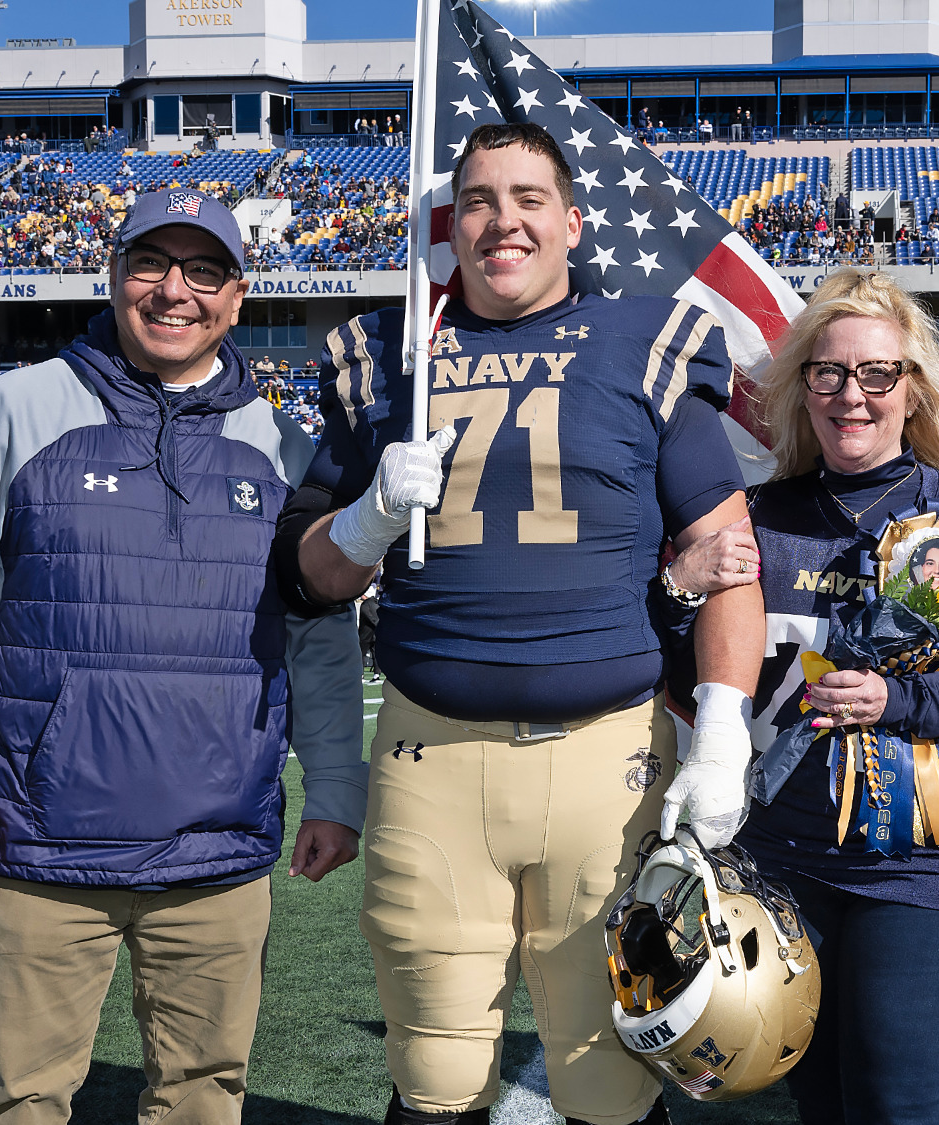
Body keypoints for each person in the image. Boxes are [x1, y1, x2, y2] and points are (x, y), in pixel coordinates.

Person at [273, 121, 763, 1125]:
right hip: (428, 760)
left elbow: (730, 565)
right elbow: (307, 578)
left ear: (571, 222)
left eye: (528, 198)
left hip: (607, 758)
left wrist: (719, 738)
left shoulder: (642, 340)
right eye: (481, 201)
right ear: (451, 226)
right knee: (435, 1067)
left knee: (606, 1073)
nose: (503, 220)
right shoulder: (389, 352)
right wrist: (366, 517)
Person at [0, 187, 363, 1125]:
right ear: (113, 272)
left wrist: (338, 788)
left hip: (219, 851)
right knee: (20, 1104)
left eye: (204, 269)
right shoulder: (16, 408)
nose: (175, 290)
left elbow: (320, 638)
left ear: (237, 294)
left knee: (203, 1101)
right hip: (36, 846)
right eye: (153, 262)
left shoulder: (284, 445)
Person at [664, 268, 939, 1124]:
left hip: (931, 860)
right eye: (830, 372)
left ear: (913, 390)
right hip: (779, 860)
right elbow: (678, 673)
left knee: (897, 1105)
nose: (854, 395)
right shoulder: (752, 516)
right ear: (800, 386)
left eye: (879, 373)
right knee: (824, 1106)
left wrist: (902, 702)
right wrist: (677, 586)